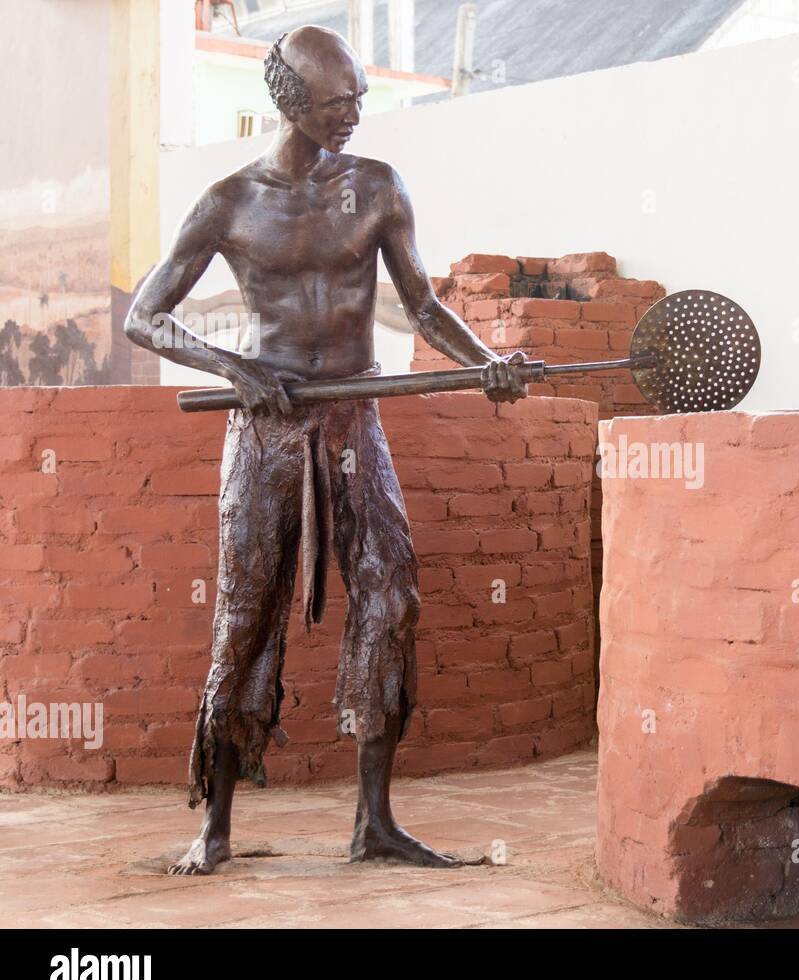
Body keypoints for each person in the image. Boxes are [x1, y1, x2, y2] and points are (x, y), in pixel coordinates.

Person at [124, 25, 527, 875]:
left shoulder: (377, 187)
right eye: (338, 100)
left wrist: (487, 364)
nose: (354, 114)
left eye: (358, 97)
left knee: (391, 600)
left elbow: (420, 308)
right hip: (265, 431)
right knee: (243, 617)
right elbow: (144, 316)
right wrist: (233, 368)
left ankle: (372, 823)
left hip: (354, 423)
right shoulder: (230, 201)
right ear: (291, 101)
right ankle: (217, 827)